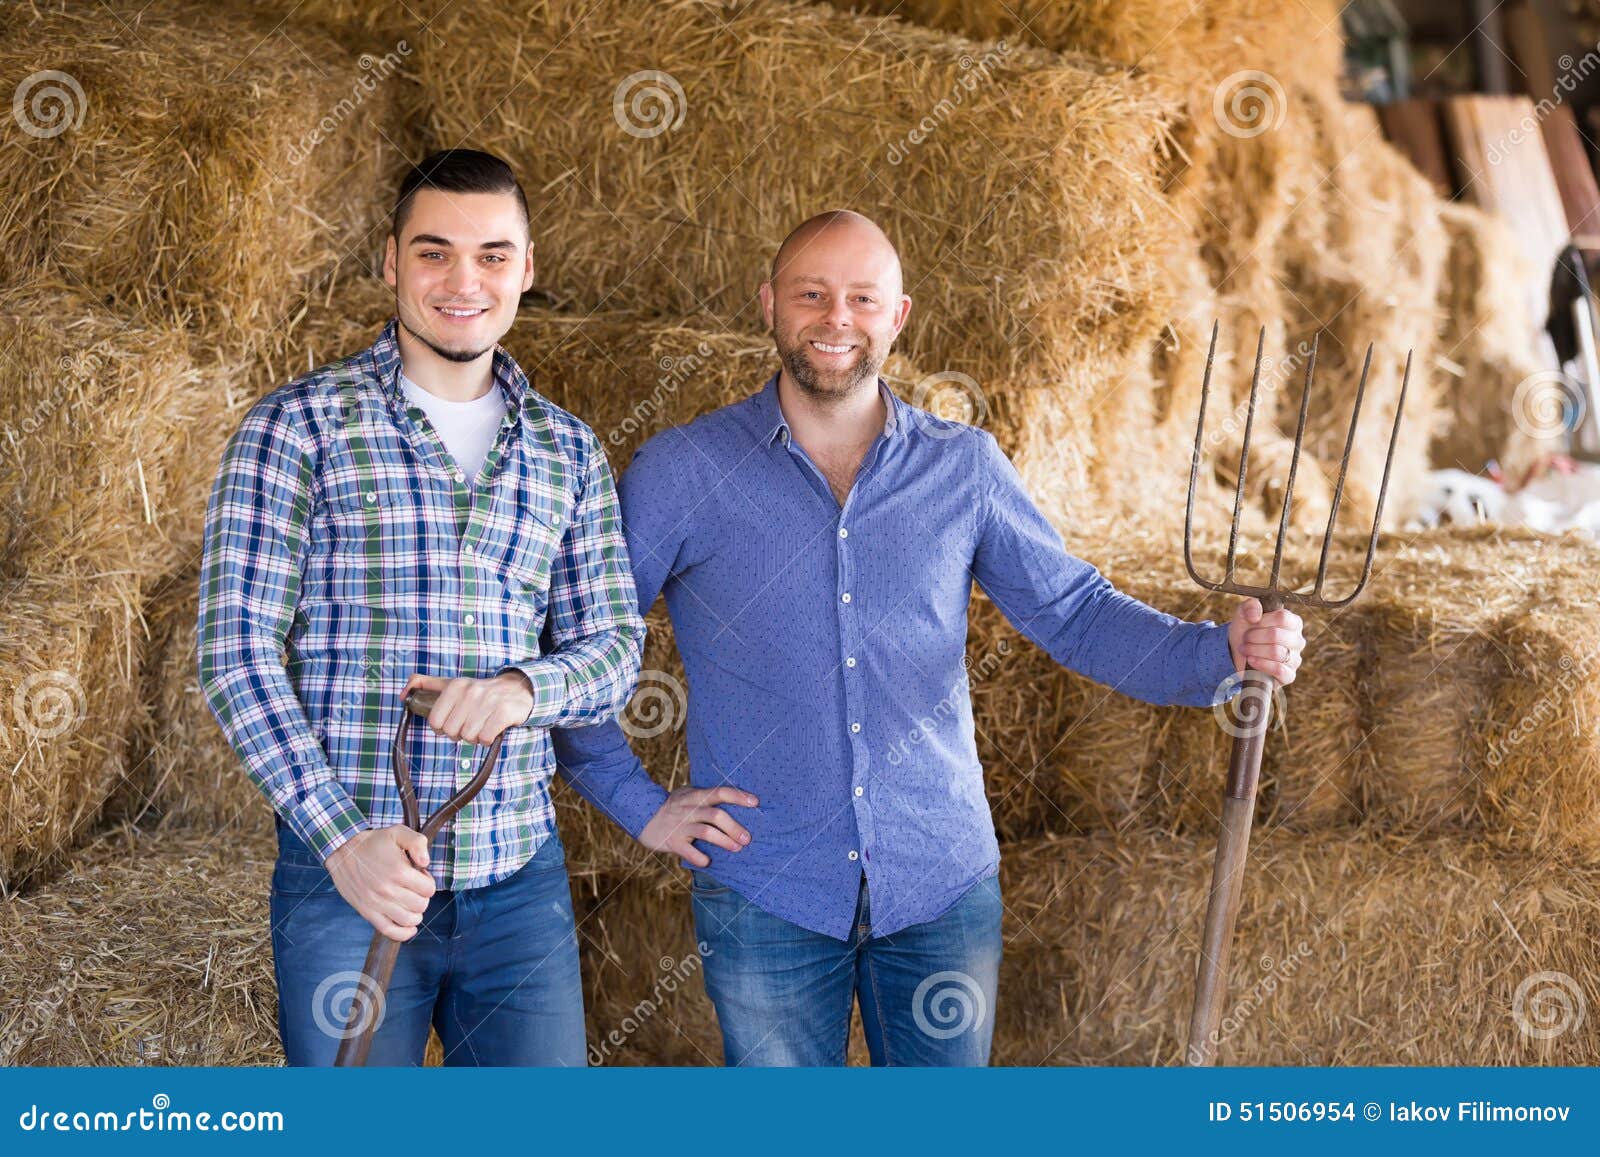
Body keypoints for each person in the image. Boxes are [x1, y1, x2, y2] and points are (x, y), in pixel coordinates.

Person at [554, 209, 1306, 1066]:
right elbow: (581, 644)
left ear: (898, 317)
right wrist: (638, 804)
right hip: (766, 888)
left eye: (862, 299)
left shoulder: (964, 467)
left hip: (939, 881)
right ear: (768, 304)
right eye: (811, 294)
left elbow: (1075, 611)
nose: (837, 318)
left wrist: (1218, 654)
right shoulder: (683, 471)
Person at [198, 149, 643, 1066]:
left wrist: (523, 688)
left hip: (517, 878)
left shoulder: (568, 450)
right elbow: (235, 652)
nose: (463, 281)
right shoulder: (297, 426)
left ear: (527, 268)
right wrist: (341, 840)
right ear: (391, 261)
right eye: (434, 252)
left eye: (492, 255)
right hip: (349, 879)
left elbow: (613, 647)